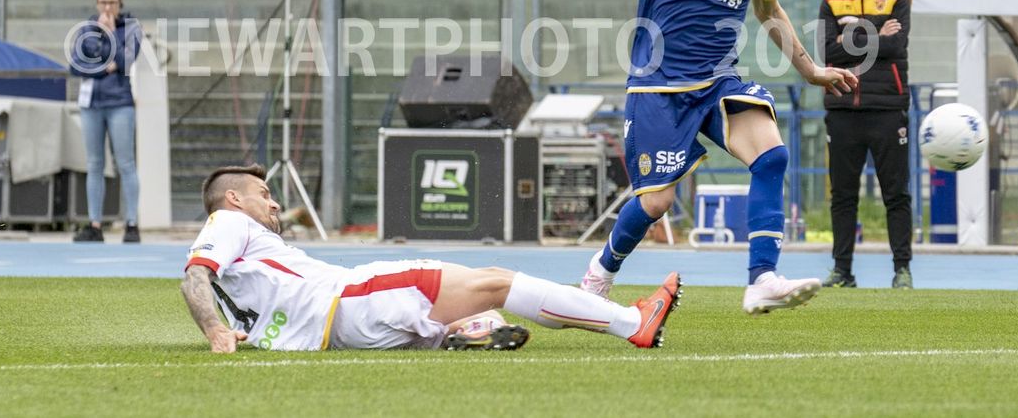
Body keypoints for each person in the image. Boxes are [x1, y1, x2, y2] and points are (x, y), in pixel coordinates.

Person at [578, 0, 858, 315]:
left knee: (772, 156)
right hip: (658, 87)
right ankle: (598, 276)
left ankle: (762, 279)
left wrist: (810, 70)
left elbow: (768, 11)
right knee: (657, 203)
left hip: (715, 82)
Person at [181, 165, 683, 353]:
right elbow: (193, 281)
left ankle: (464, 331)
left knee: (477, 298)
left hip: (333, 327)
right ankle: (629, 322)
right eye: (264, 194)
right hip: (349, 298)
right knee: (495, 280)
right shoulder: (228, 223)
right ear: (233, 200)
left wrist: (225, 328)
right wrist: (214, 331)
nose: (272, 202)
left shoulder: (238, 245)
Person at [818, 0, 914, 289]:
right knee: (843, 195)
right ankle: (842, 271)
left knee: (896, 193)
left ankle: (902, 270)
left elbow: (897, 45)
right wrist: (876, 31)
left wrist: (851, 35)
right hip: (841, 107)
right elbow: (828, 52)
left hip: (888, 108)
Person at [68, 0, 143, 243]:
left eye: (112, 3)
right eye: (103, 3)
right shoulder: (87, 29)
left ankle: (132, 224)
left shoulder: (130, 28)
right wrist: (104, 65)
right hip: (91, 104)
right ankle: (95, 224)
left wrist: (110, 36)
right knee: (94, 164)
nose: (108, 8)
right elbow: (76, 66)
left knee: (126, 163)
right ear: (97, 3)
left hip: (119, 103)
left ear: (120, 3)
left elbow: (125, 62)